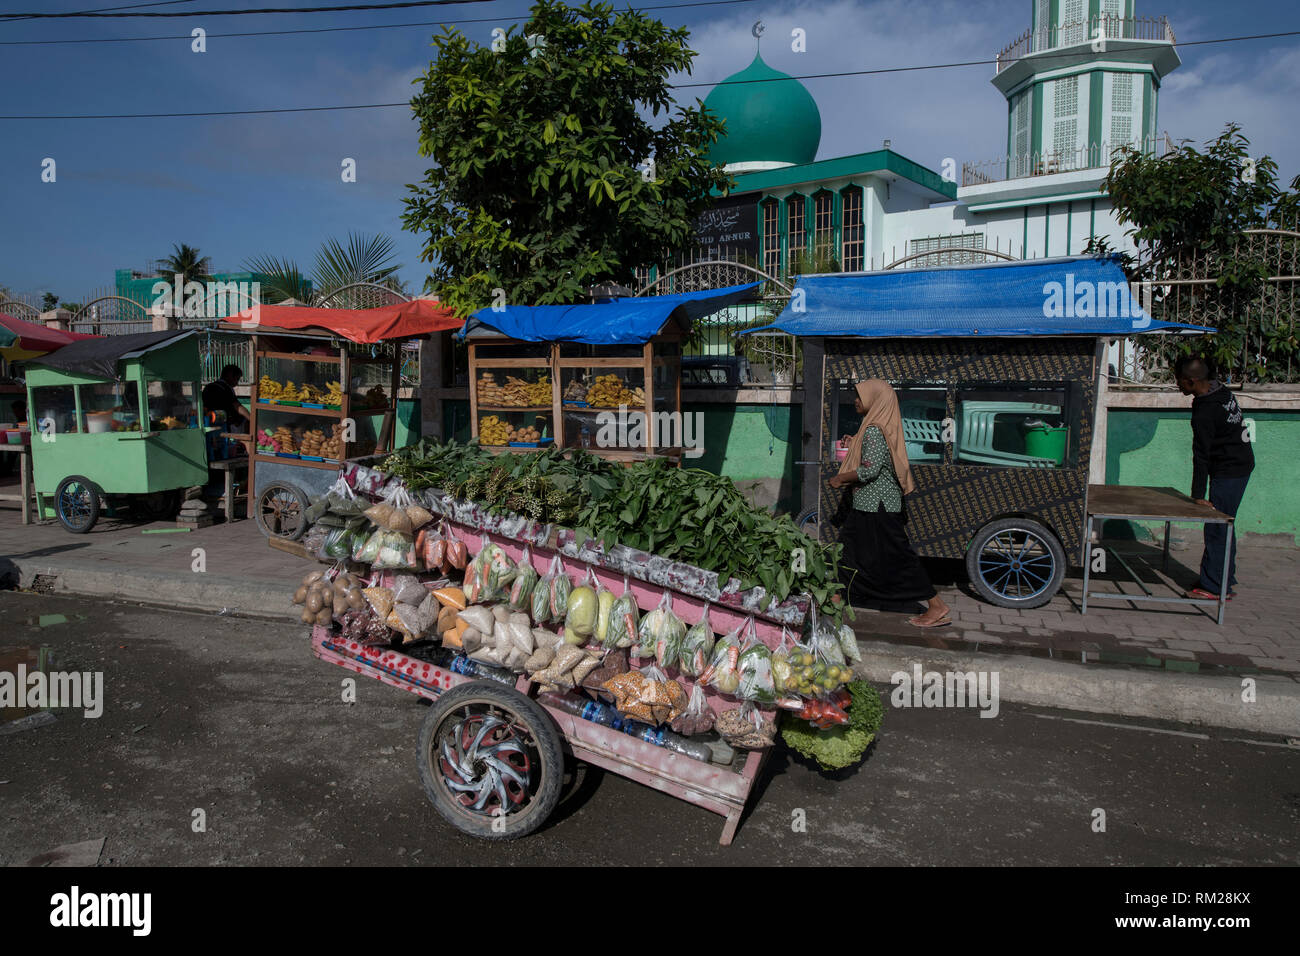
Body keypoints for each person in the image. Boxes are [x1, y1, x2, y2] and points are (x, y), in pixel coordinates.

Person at [828, 379, 951, 627]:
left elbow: (869, 471)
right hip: (870, 504)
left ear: (876, 401)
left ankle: (937, 606)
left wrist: (841, 478)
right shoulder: (876, 427)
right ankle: (835, 598)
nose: (856, 400)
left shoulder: (874, 429)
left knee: (899, 556)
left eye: (860, 397)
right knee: (849, 551)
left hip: (877, 506)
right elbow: (877, 455)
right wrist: (854, 443)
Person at [1174, 354, 1254, 600]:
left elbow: (1201, 455)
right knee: (1225, 524)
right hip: (1239, 465)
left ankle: (1214, 587)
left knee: (1218, 527)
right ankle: (1221, 577)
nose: (1177, 385)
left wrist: (1198, 495)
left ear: (1192, 381)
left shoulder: (1206, 411)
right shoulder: (1221, 392)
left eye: (1179, 381)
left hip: (1230, 470)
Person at [202, 364, 250, 428]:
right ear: (229, 376)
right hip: (225, 424)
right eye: (237, 379)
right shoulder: (226, 388)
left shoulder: (208, 386)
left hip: (208, 422)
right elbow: (238, 407)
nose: (237, 383)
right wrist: (251, 419)